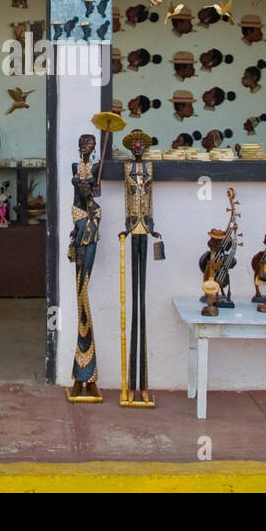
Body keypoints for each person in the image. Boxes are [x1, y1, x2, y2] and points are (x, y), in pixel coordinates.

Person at [120, 128, 160, 405]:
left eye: (140, 145)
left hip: (145, 226)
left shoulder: (149, 167)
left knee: (141, 301)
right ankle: (132, 385)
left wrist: (152, 225)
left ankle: (142, 383)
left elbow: (150, 197)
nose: (137, 148)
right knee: (132, 298)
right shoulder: (127, 168)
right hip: (132, 225)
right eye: (133, 145)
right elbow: (127, 197)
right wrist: (126, 224)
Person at [67, 134, 102, 402]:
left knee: (84, 298)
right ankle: (83, 374)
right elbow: (77, 205)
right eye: (82, 144)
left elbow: (92, 204)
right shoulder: (75, 169)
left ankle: (87, 375)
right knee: (81, 300)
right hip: (80, 232)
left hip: (90, 232)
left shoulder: (97, 170)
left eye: (89, 144)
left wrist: (92, 191)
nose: (85, 148)